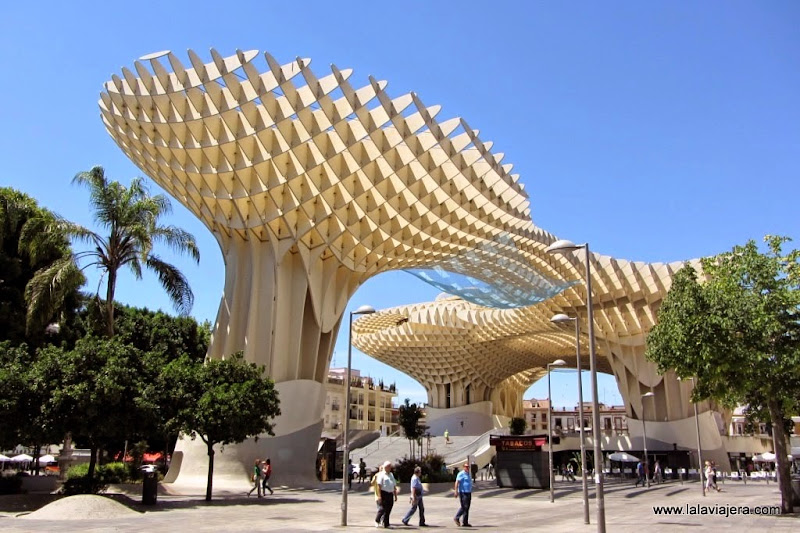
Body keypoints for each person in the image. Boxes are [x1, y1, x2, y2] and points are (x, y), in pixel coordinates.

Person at [374, 461, 399, 528]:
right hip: (384, 493)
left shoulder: (391, 474)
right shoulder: (381, 475)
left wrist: (395, 495)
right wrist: (379, 496)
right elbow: (379, 486)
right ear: (386, 467)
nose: (390, 468)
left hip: (390, 494)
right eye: (389, 466)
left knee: (389, 508)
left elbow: (394, 485)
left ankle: (386, 523)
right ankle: (377, 520)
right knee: (382, 509)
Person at [454, 461, 473, 527]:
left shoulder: (468, 474)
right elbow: (457, 482)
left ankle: (465, 522)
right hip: (463, 492)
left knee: (467, 507)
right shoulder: (461, 474)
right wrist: (456, 491)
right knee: (464, 506)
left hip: (468, 492)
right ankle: (456, 517)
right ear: (463, 467)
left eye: (468, 467)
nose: (467, 468)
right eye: (466, 466)